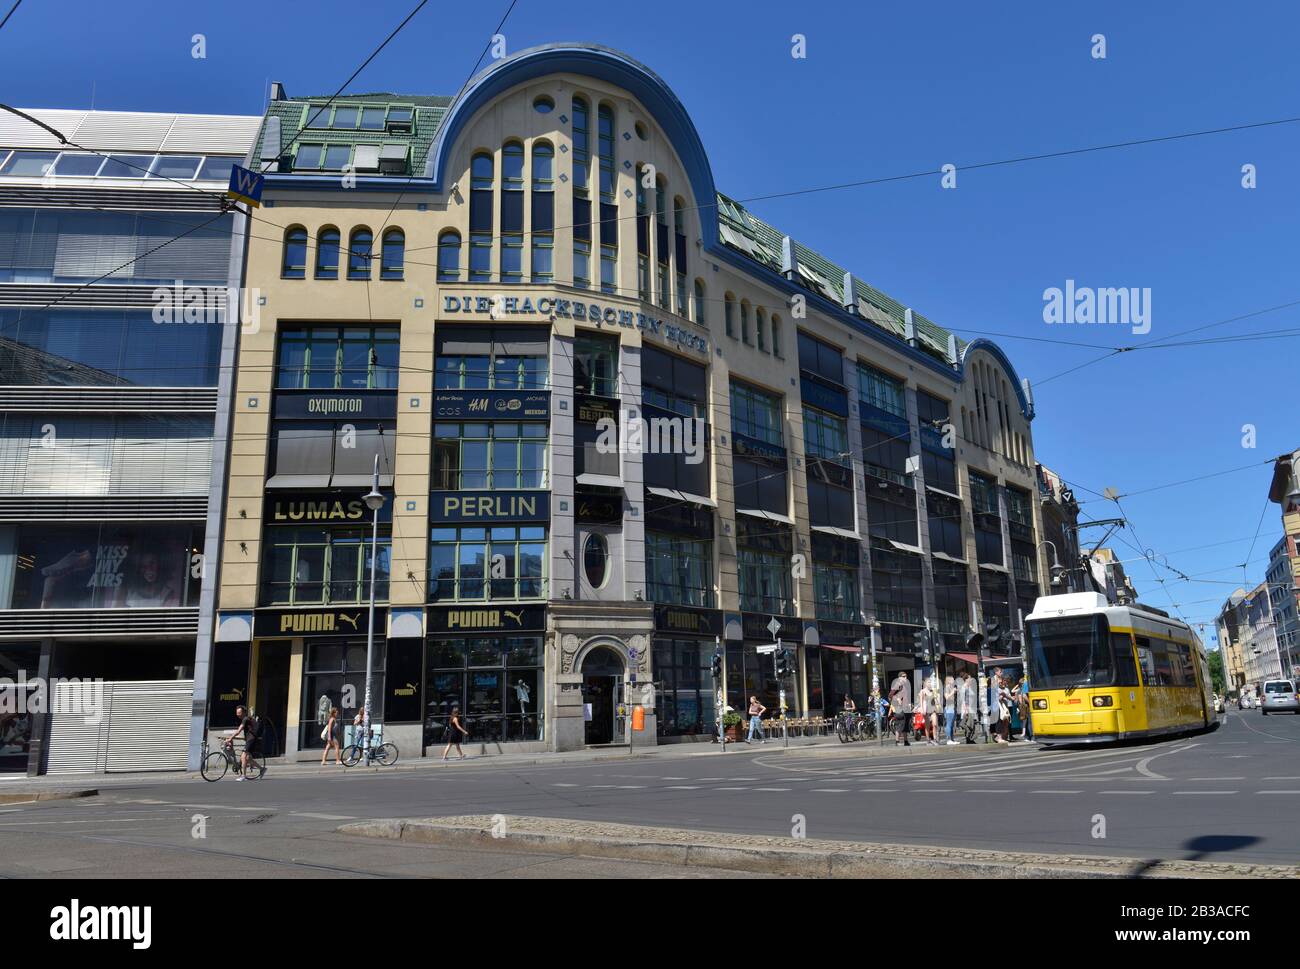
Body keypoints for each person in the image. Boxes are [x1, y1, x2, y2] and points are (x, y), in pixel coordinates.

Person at [228, 705, 260, 780]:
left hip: (251, 739)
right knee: (248, 758)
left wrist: (230, 738)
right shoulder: (247, 718)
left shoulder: (245, 719)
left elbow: (239, 731)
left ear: (244, 713)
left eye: (239, 713)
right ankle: (262, 769)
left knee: (244, 757)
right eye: (237, 713)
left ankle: (243, 776)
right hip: (249, 739)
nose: (237, 714)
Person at [889, 671, 912, 746]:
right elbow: (890, 695)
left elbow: (905, 697)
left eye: (906, 676)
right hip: (898, 708)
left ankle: (905, 741)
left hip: (905, 707)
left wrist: (908, 703)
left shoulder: (904, 685)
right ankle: (897, 741)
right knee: (899, 723)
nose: (905, 678)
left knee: (905, 724)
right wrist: (897, 699)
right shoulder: (897, 685)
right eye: (903, 676)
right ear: (899, 677)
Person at [943, 674, 958, 745]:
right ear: (949, 681)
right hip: (949, 708)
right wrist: (952, 692)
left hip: (953, 708)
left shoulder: (952, 687)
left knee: (951, 724)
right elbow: (947, 697)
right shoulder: (947, 687)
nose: (954, 680)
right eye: (952, 679)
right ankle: (948, 739)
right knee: (949, 724)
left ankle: (952, 739)